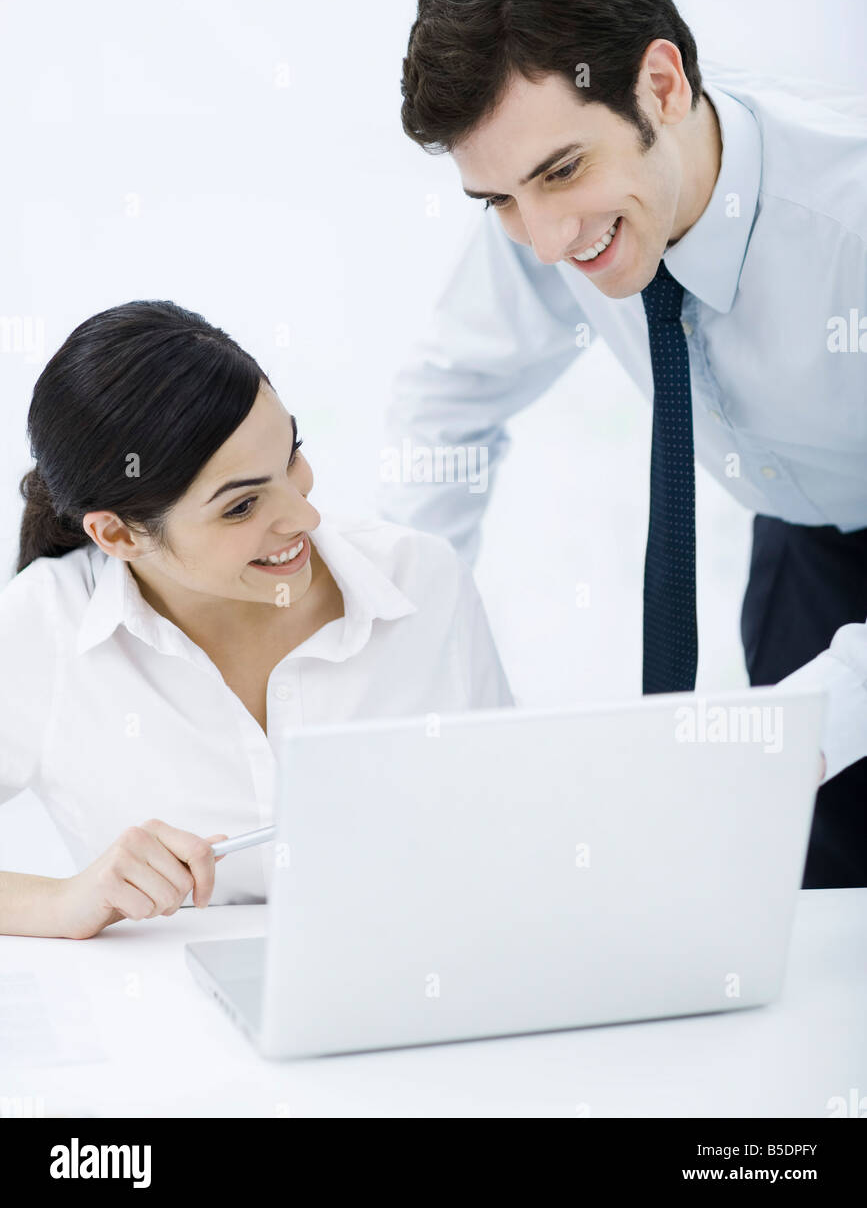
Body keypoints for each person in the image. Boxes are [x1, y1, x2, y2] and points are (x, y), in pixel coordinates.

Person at [379, 0, 867, 888]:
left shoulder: (848, 227)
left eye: (562, 172)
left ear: (661, 83)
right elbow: (451, 398)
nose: (548, 240)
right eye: (500, 201)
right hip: (805, 548)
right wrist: (400, 656)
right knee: (813, 919)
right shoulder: (542, 218)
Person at [0, 300, 512, 939]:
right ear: (120, 535)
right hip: (164, 1025)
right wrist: (63, 902)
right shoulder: (46, 625)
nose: (303, 517)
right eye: (241, 507)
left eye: (291, 456)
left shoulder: (422, 581)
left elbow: (513, 824)